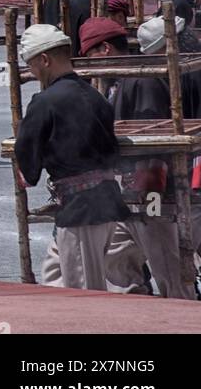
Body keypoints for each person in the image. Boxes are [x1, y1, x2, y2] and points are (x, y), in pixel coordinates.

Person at [78, 17, 191, 299]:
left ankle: (183, 316)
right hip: (128, 193)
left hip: (148, 192)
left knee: (166, 264)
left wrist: (151, 197)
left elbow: (152, 140)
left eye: (91, 55)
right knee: (117, 256)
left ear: (104, 50)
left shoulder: (141, 81)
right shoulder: (127, 80)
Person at [14, 24, 129, 290]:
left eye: (31, 64)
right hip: (104, 198)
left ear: (44, 60)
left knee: (82, 289)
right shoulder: (94, 95)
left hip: (82, 209)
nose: (31, 71)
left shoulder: (45, 101)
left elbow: (27, 153)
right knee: (55, 275)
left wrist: (28, 170)